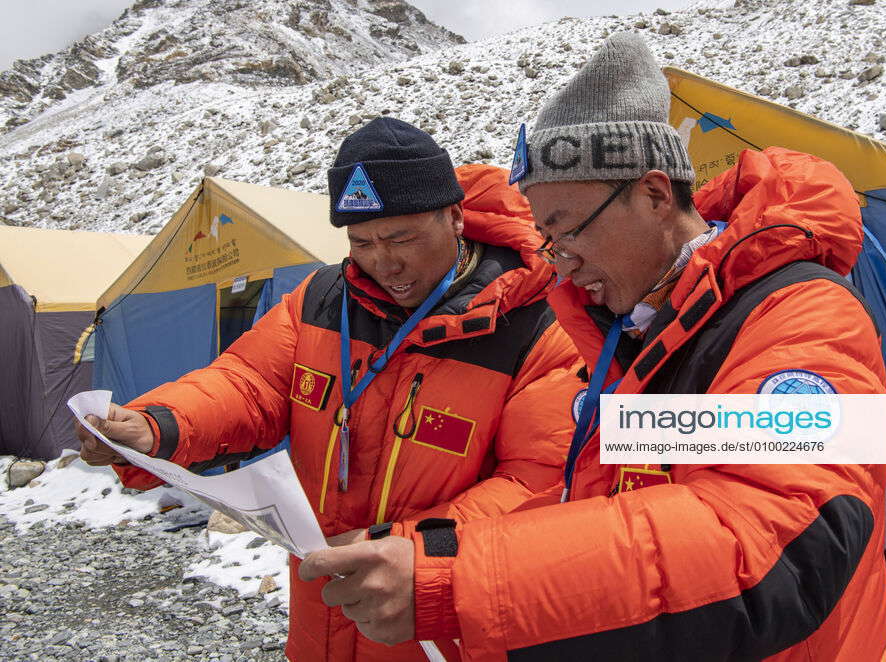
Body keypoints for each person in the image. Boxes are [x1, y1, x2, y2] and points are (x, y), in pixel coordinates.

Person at [298, 34, 886, 660]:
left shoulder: (798, 314)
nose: (560, 261)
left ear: (656, 195)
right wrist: (434, 551)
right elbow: (615, 505)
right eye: (545, 238)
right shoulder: (635, 331)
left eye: (567, 228)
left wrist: (460, 579)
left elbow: (773, 537)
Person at [77, 117, 585, 662]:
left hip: (440, 615)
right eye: (361, 242)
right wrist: (159, 424)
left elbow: (537, 482)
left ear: (454, 216)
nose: (384, 263)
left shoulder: (537, 326)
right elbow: (247, 383)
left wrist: (407, 549)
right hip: (323, 613)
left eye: (402, 238)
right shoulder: (322, 300)